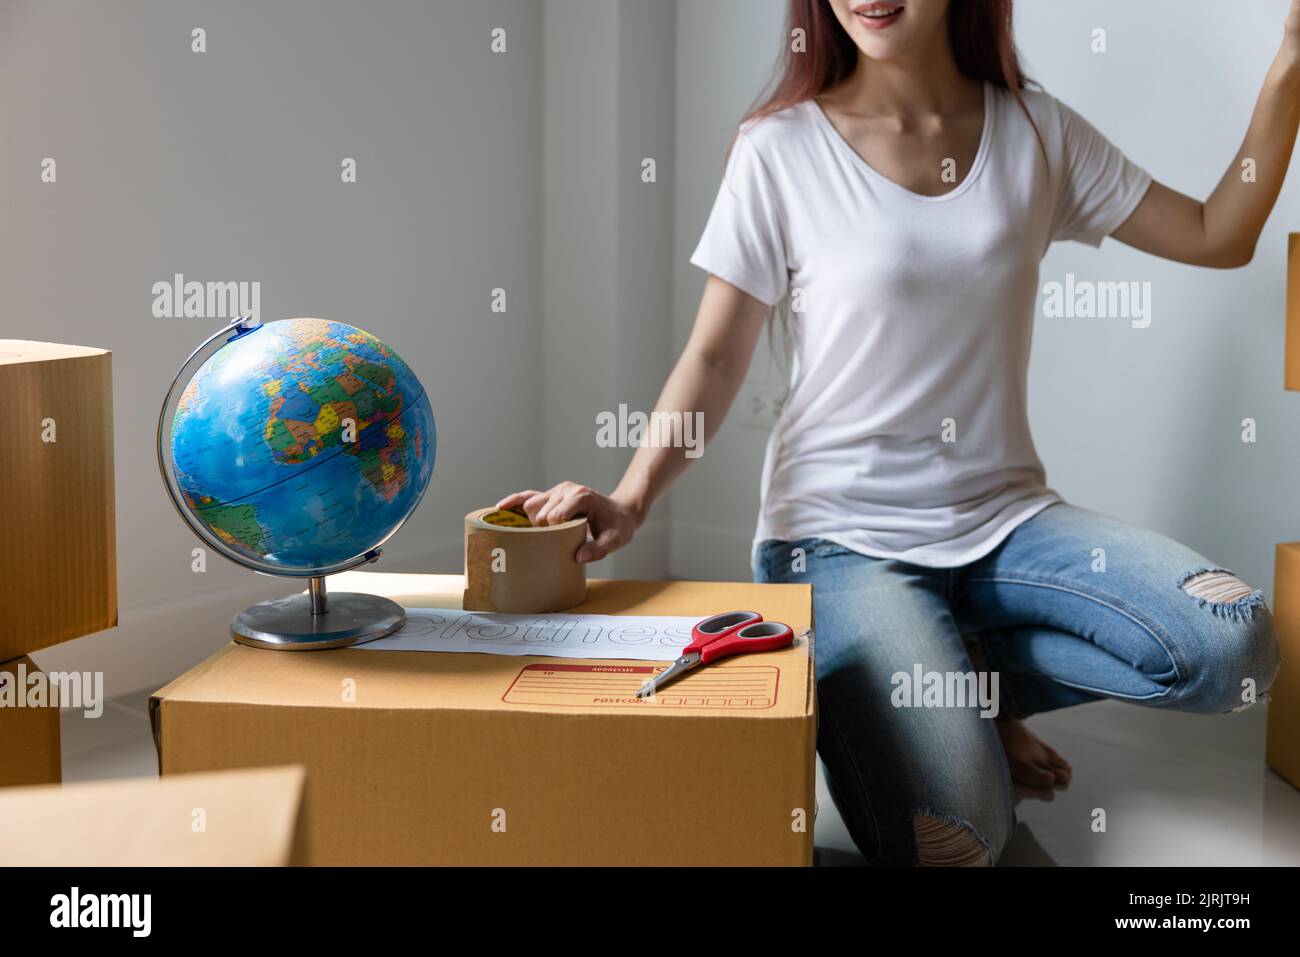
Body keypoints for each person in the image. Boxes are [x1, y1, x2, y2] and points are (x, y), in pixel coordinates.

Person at [499, 0, 1294, 865]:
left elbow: (1221, 232)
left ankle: (944, 686)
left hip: (1008, 525)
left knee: (1234, 643)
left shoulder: (1036, 129)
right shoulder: (781, 147)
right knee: (964, 843)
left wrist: (1290, 57)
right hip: (838, 546)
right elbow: (716, 357)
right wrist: (631, 495)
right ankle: (886, 679)